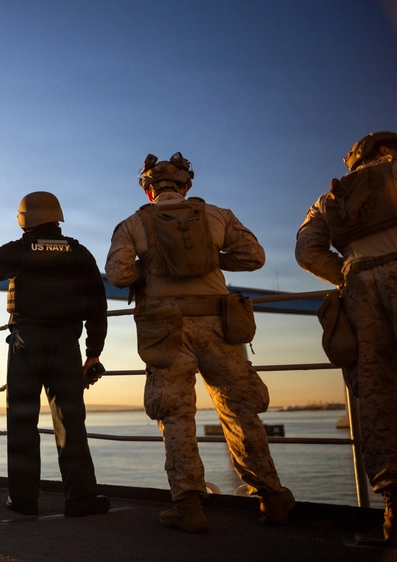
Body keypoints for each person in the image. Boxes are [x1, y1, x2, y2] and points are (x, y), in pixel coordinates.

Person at [105, 152, 293, 533]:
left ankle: (188, 506)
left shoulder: (132, 223)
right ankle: (271, 498)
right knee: (240, 411)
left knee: (175, 415)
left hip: (166, 328)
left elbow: (118, 273)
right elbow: (254, 256)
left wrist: (154, 264)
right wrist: (212, 258)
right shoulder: (218, 214)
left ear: (148, 188)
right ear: (187, 185)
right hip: (219, 324)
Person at [0, 191, 110, 517]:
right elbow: (98, 307)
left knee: (22, 423)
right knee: (70, 424)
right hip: (65, 344)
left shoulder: (18, 250)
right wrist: (93, 353)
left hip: (26, 343)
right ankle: (81, 499)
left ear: (23, 218)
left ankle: (24, 501)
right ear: (57, 216)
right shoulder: (80, 252)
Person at [295, 131, 397, 544]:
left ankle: (394, 506)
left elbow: (306, 251)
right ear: (387, 151)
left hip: (360, 293)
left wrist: (348, 274)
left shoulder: (329, 198)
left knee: (375, 394)